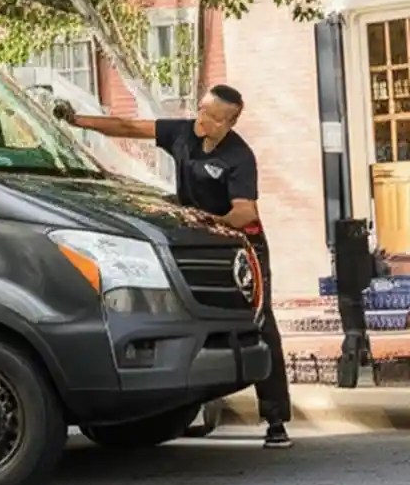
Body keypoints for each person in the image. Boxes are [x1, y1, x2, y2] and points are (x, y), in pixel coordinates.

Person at [51, 84, 293, 449]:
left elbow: (245, 212)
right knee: (191, 318)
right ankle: (183, 409)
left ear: (229, 122)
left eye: (212, 117)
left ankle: (275, 418)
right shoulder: (183, 132)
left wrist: (212, 227)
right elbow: (130, 128)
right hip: (193, 242)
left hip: (241, 246)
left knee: (260, 323)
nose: (202, 120)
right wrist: (77, 120)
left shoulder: (239, 156)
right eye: (201, 110)